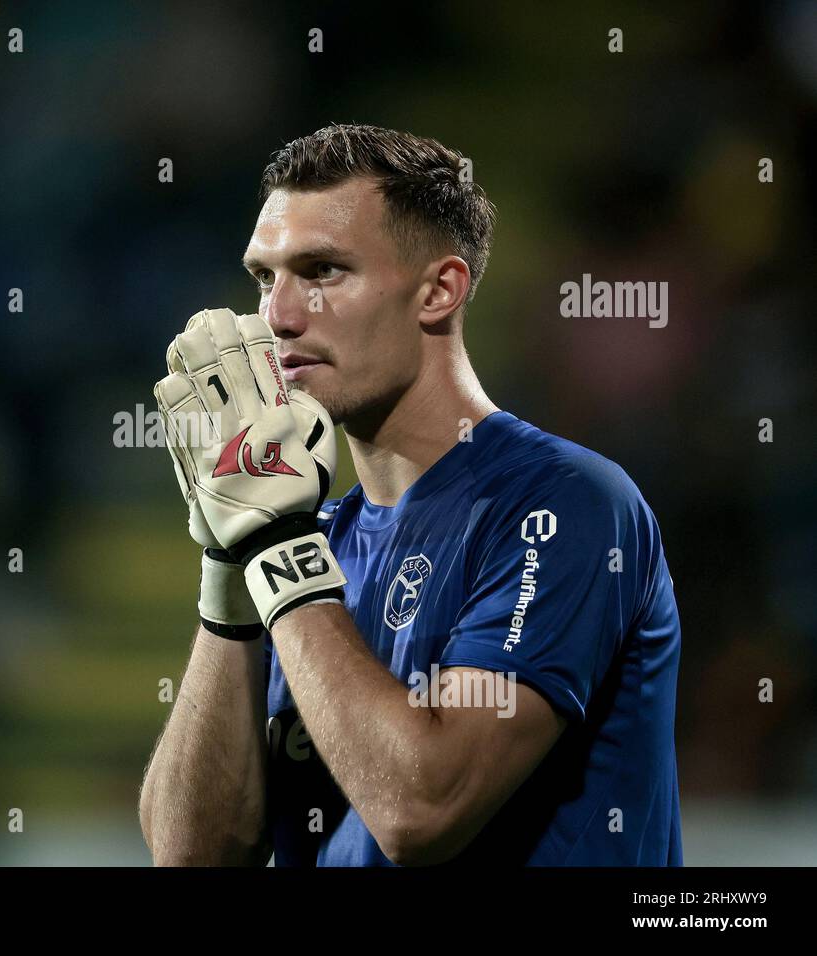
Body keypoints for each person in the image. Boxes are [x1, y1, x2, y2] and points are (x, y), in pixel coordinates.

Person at [138, 123, 682, 866]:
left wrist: (276, 546)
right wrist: (229, 567)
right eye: (265, 278)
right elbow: (193, 854)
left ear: (438, 291)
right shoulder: (307, 535)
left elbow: (422, 808)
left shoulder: (566, 504)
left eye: (322, 271)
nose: (279, 317)